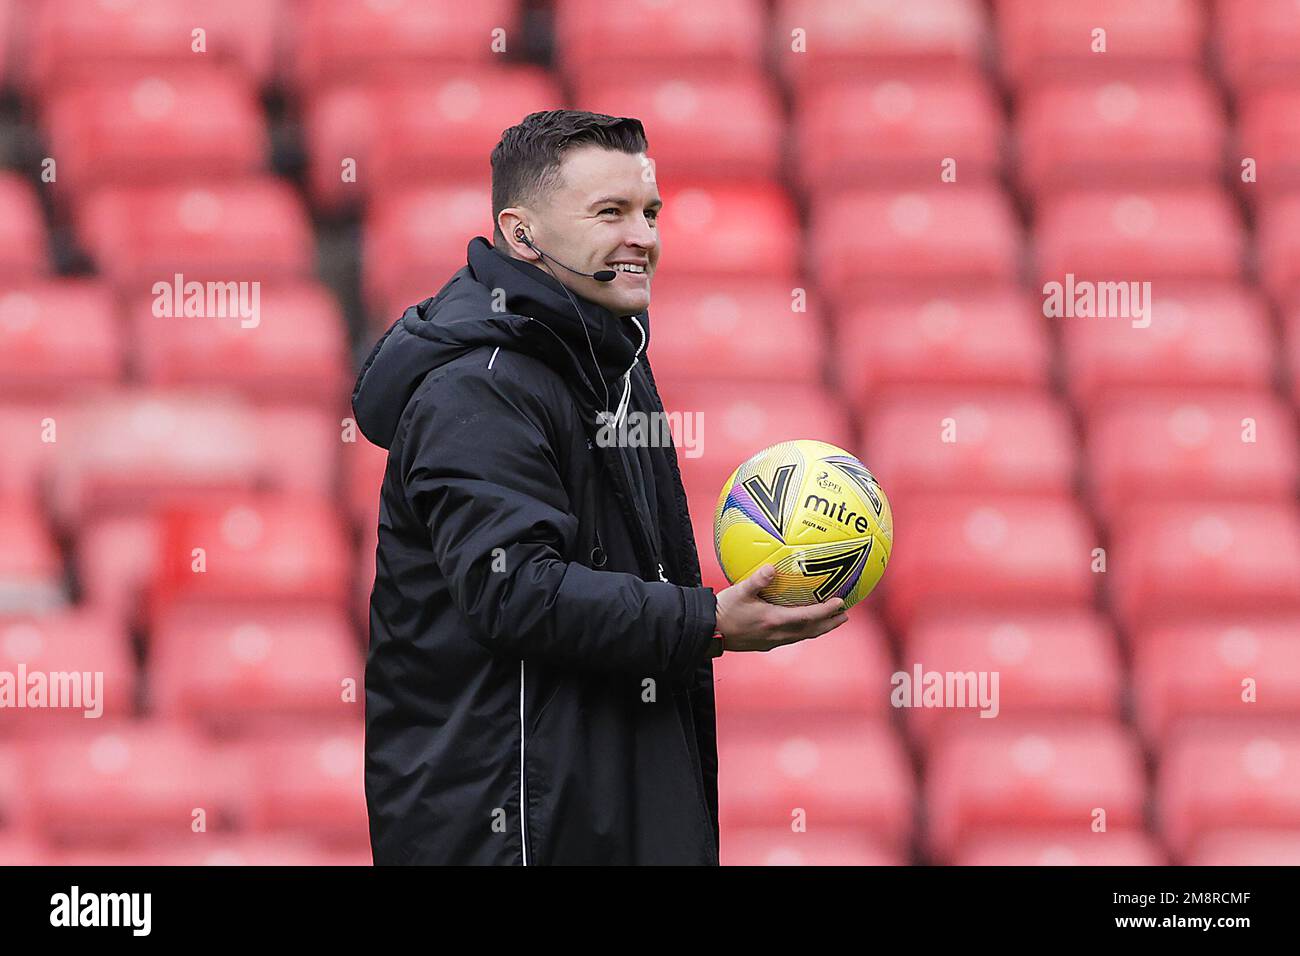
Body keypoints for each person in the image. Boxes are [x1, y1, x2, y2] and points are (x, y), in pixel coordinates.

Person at [352, 109, 848, 865]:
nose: (643, 236)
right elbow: (514, 591)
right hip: (511, 830)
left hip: (604, 813)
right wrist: (707, 621)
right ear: (521, 235)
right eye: (610, 213)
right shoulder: (476, 388)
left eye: (650, 212)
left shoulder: (610, 353)